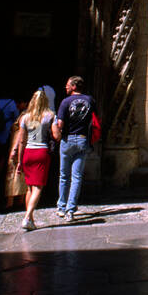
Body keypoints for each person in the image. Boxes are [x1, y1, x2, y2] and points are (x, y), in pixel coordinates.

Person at [53, 76, 97, 221]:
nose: (65, 87)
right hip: (83, 139)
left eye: (67, 85)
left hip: (68, 139)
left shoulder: (65, 102)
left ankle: (61, 207)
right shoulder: (90, 100)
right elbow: (95, 118)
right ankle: (71, 210)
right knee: (76, 176)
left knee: (64, 175)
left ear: (73, 86)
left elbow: (60, 124)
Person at [13, 91, 55, 230]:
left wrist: (19, 161)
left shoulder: (24, 118)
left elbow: (21, 141)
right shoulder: (50, 116)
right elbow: (56, 136)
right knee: (38, 187)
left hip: (28, 153)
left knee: (30, 187)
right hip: (41, 152)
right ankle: (27, 217)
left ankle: (30, 220)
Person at [3, 98, 29, 211]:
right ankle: (20, 200)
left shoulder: (24, 115)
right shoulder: (24, 115)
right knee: (20, 173)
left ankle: (11, 202)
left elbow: (21, 134)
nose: (17, 104)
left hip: (17, 146)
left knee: (13, 173)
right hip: (19, 146)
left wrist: (14, 149)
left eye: (19, 102)